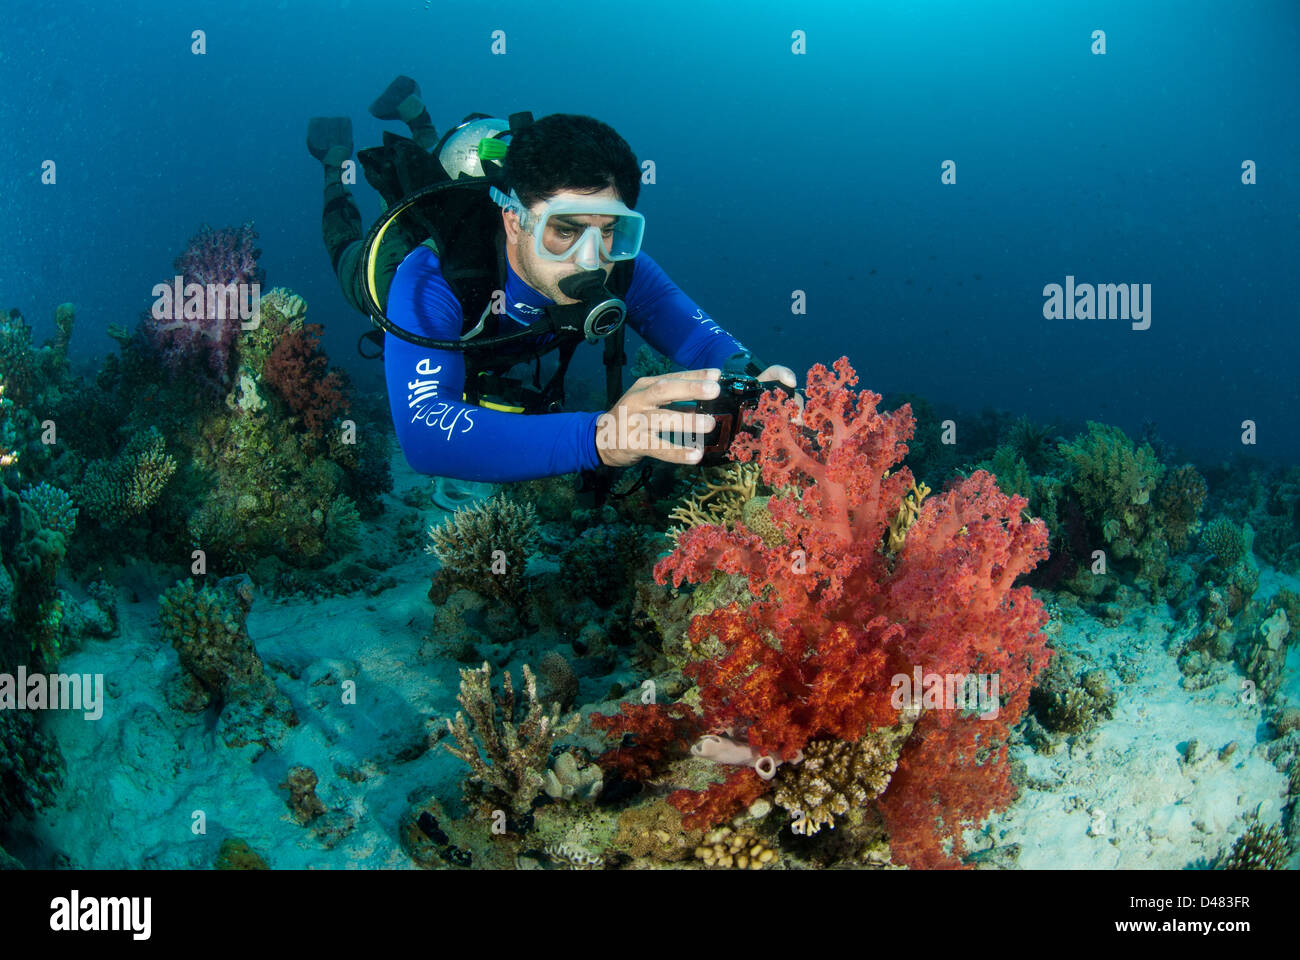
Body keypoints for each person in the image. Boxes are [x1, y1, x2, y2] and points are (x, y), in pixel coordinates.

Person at [307, 76, 797, 489]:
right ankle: (333, 164)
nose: (591, 258)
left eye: (611, 230)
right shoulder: (430, 280)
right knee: (349, 256)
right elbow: (425, 434)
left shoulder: (619, 263)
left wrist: (756, 380)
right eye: (563, 230)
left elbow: (698, 337)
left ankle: (418, 115)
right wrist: (601, 438)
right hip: (390, 263)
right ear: (514, 220)